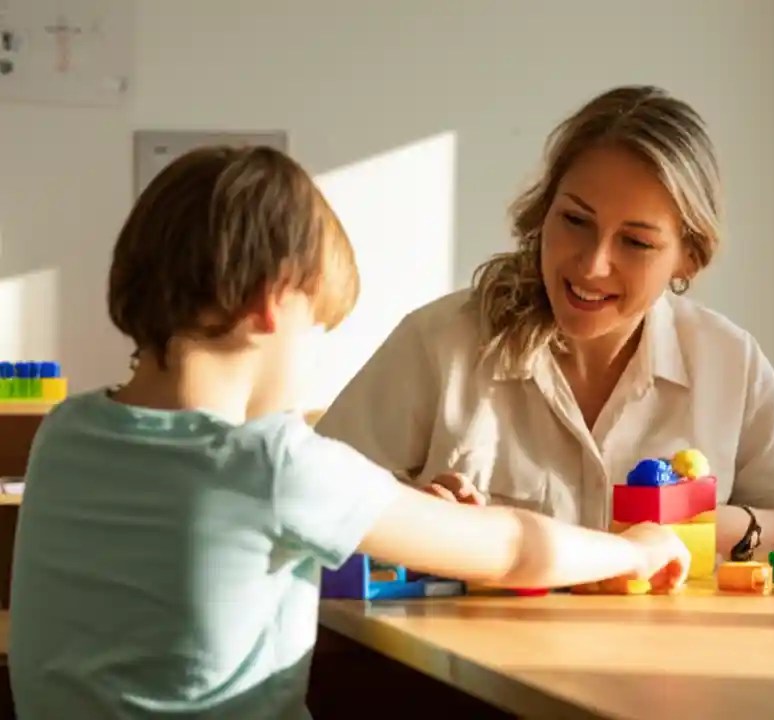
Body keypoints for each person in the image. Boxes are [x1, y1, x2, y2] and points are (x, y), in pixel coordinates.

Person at [8, 146, 690, 720]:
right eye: (317, 329)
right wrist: (633, 549)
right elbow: (514, 549)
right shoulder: (272, 463)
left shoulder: (65, 435)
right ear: (273, 306)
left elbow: (218, 568)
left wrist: (420, 521)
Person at [316, 85, 774, 559]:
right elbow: (313, 501)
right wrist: (422, 519)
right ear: (544, 213)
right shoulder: (439, 344)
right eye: (575, 221)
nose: (592, 265)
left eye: (635, 242)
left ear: (688, 259)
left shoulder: (729, 363)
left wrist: (703, 527)